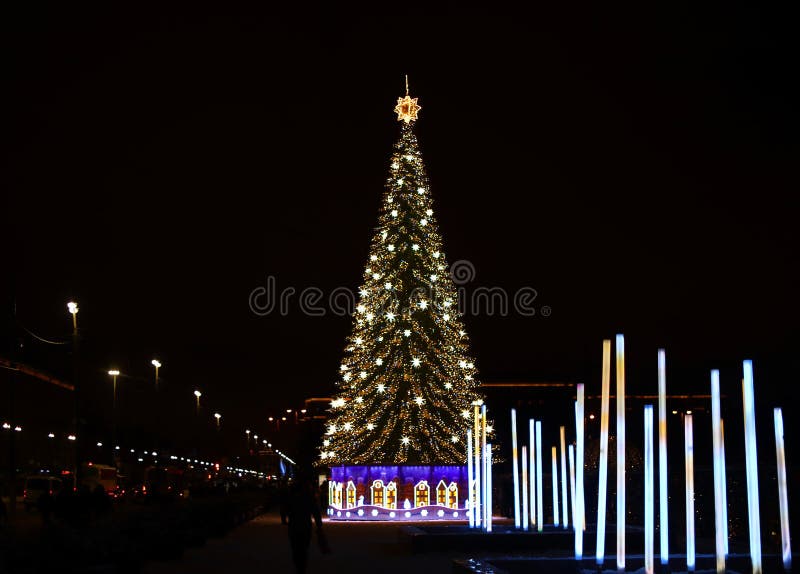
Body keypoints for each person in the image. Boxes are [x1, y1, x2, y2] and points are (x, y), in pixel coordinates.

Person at [286, 473, 329, 573]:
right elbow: (315, 511)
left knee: (295, 547)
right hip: (305, 524)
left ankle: (298, 565)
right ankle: (302, 566)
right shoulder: (308, 496)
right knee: (304, 547)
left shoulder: (291, 495)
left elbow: (287, 509)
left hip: (293, 525)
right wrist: (319, 525)